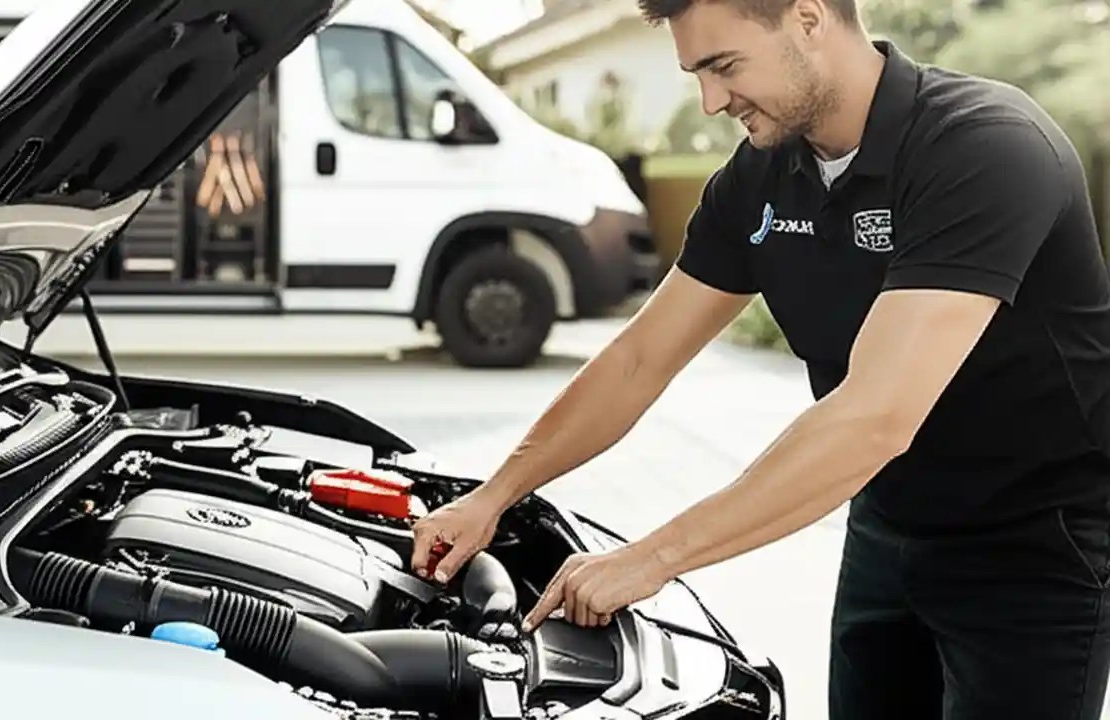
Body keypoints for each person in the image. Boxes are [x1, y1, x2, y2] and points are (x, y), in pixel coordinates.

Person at [409, 0, 1110, 717]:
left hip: (1032, 548)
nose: (711, 101)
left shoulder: (984, 147)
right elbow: (639, 359)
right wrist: (492, 497)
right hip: (885, 524)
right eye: (697, 74)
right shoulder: (760, 177)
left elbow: (874, 417)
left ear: (808, 18)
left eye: (724, 66)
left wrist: (650, 559)